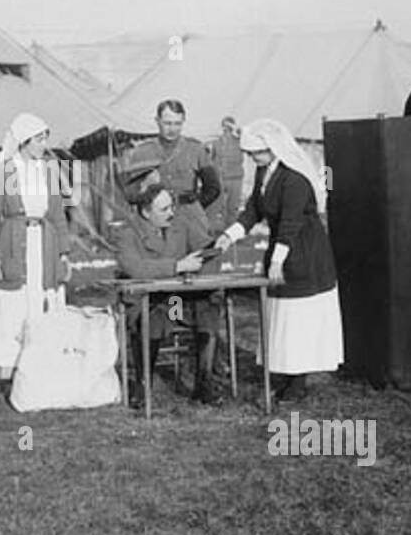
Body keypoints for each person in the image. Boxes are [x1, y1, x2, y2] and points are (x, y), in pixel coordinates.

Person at [213, 119, 343, 402]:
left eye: (257, 153)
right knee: (282, 318)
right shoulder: (264, 174)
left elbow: (290, 223)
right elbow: (252, 212)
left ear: (272, 148)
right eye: (250, 154)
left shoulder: (294, 179)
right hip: (282, 251)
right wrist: (229, 235)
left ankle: (298, 381)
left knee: (300, 319)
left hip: (305, 253)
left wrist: (277, 260)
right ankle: (286, 374)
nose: (253, 158)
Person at [0, 113, 71, 403]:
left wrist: (64, 254)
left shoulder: (49, 169)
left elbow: (58, 215)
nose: (43, 145)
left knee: (40, 305)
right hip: (12, 243)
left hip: (44, 244)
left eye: (45, 139)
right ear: (24, 141)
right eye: (39, 139)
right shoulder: (4, 171)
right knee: (7, 310)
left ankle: (37, 370)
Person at [115, 178, 220, 407]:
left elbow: (208, 250)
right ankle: (144, 385)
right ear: (145, 212)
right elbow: (135, 268)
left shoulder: (180, 225)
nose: (171, 213)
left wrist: (201, 273)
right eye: (164, 209)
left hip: (175, 301)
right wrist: (178, 267)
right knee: (153, 319)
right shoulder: (127, 234)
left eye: (171, 207)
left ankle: (204, 383)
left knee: (208, 308)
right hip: (147, 302)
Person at [120, 99, 221, 234]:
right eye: (167, 123)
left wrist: (194, 206)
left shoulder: (195, 149)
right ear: (157, 121)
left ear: (183, 121)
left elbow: (213, 188)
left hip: (188, 221)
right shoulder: (143, 152)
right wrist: (147, 193)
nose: (172, 129)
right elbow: (129, 195)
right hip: (154, 224)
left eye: (177, 124)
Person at [207, 115, 245, 231]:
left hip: (236, 178)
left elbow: (246, 134)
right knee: (215, 206)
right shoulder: (216, 143)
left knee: (233, 207)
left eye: (229, 127)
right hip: (220, 178)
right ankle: (210, 231)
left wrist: (236, 129)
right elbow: (210, 159)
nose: (226, 130)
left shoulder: (240, 141)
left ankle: (230, 232)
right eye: (225, 126)